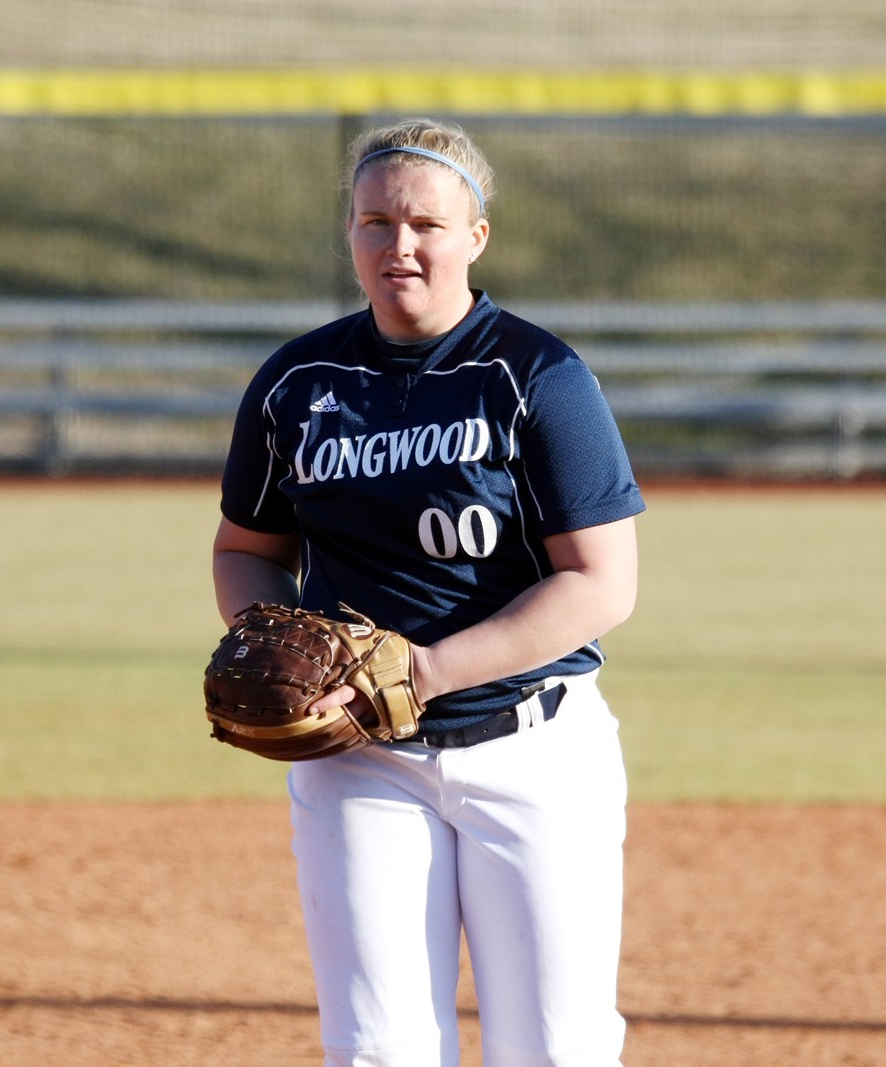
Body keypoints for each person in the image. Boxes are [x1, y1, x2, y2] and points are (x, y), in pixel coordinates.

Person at [211, 116, 645, 1067]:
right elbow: (244, 549)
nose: (398, 246)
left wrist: (426, 667)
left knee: (556, 1051)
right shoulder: (297, 383)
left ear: (475, 235)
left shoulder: (536, 376)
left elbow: (603, 582)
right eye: (374, 222)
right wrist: (279, 646)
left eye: (426, 225)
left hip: (534, 750)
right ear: (351, 234)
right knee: (378, 1052)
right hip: (359, 755)